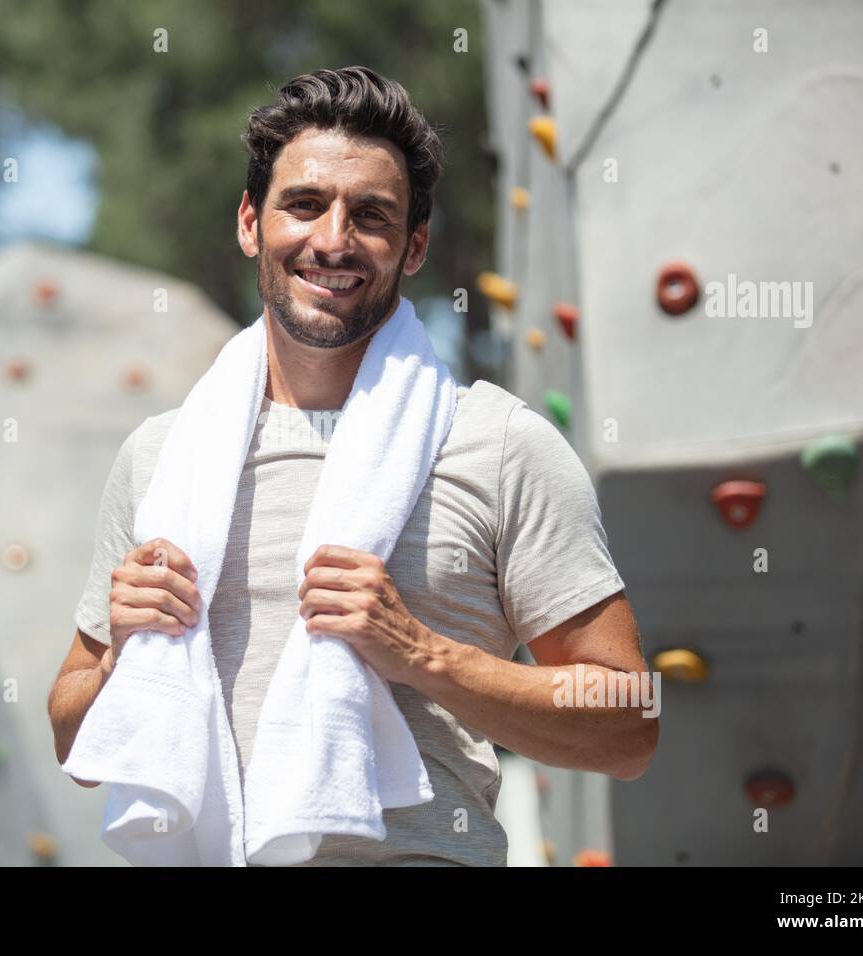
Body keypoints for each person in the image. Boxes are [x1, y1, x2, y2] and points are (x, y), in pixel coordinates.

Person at [48, 66, 656, 866]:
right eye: (304, 204)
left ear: (413, 248)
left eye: (370, 216)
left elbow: (628, 722)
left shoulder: (500, 444)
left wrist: (426, 655)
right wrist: (124, 646)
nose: (332, 240)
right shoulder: (162, 456)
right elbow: (71, 735)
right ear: (249, 223)